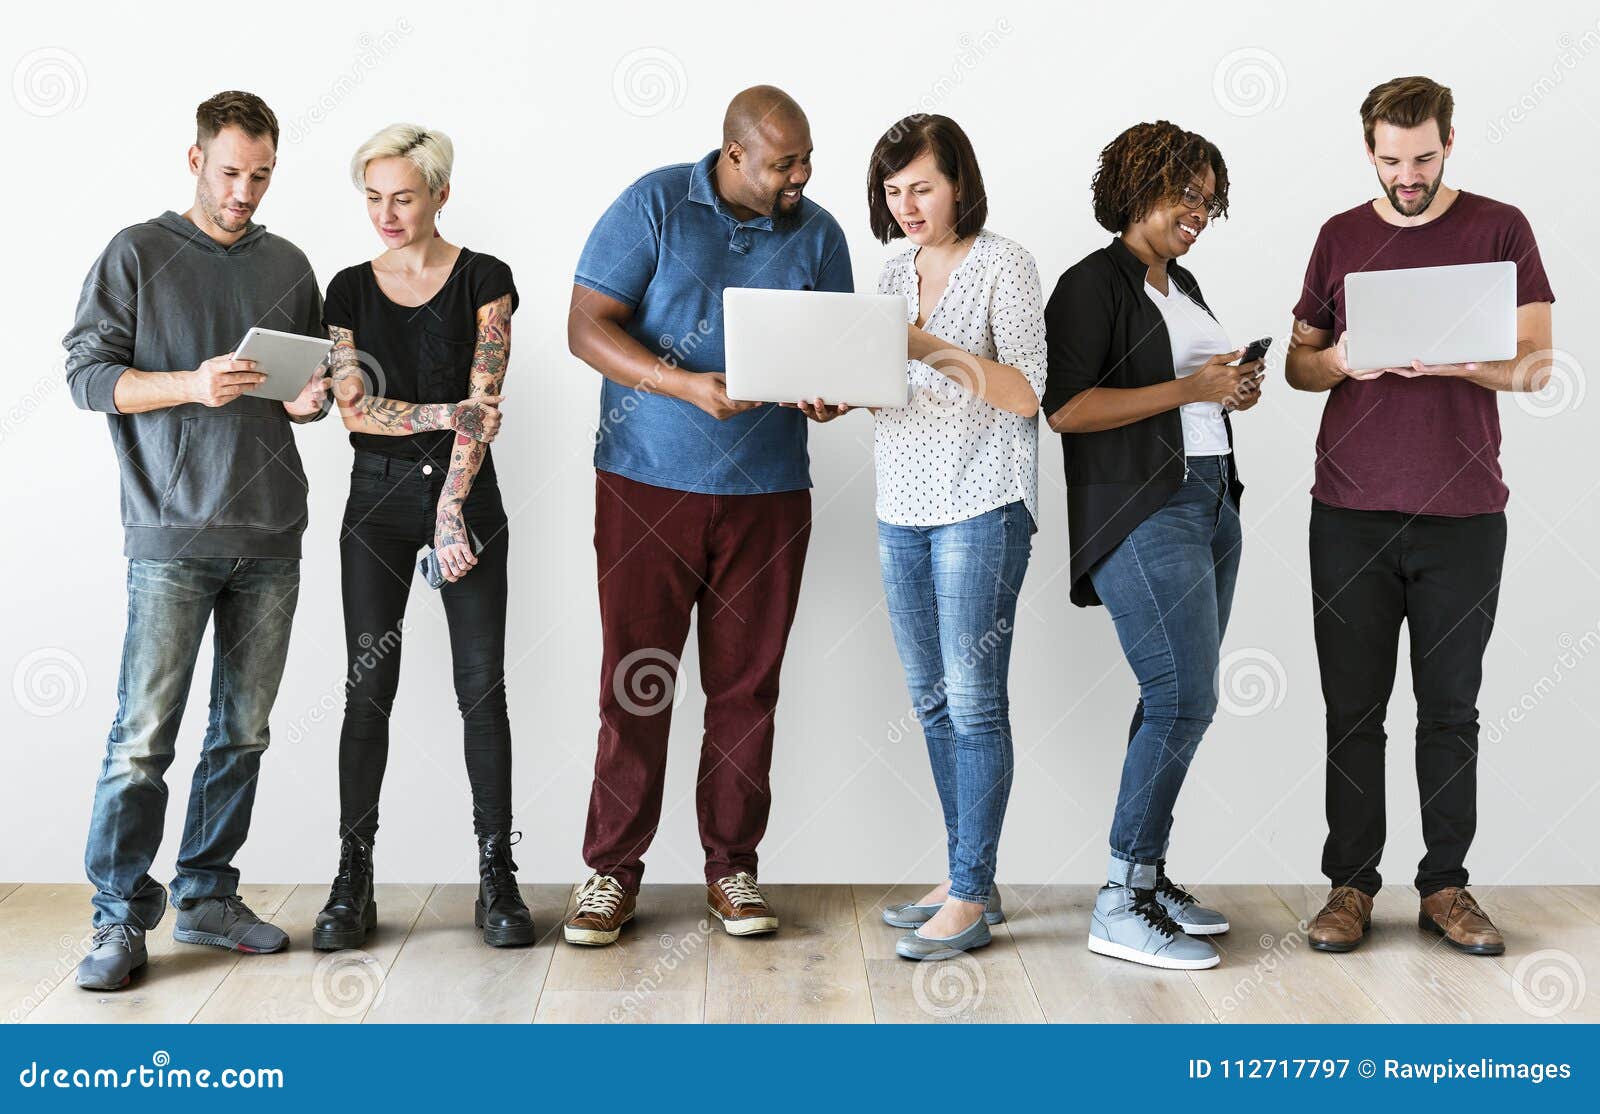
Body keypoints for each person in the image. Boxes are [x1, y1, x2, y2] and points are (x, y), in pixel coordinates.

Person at [563, 85, 853, 946]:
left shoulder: (821, 233)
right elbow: (585, 328)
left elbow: (834, 351)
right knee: (636, 681)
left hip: (769, 496)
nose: (801, 176)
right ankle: (610, 873)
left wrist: (829, 396)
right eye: (783, 164)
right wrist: (685, 383)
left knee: (746, 691)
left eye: (806, 159)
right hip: (645, 487)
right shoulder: (654, 202)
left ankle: (732, 870)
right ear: (734, 156)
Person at [64, 91, 329, 990]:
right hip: (171, 533)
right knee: (143, 736)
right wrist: (191, 383)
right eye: (230, 172)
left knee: (243, 732)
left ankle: (208, 896)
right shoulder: (135, 253)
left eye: (261, 176)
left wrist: (310, 399)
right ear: (194, 160)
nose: (245, 191)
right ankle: (117, 918)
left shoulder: (291, 264)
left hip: (272, 532)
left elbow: (305, 389)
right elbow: (87, 377)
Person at [1286, 77, 1555, 956]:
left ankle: (1445, 886)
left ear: (1450, 143)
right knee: (1352, 710)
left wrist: (1450, 360)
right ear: (1369, 149)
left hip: (1465, 515)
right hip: (1349, 513)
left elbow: (1535, 367)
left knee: (1451, 709)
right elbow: (1301, 365)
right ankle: (1350, 888)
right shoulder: (1340, 236)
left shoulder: (1500, 227)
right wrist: (1347, 360)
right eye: (1393, 160)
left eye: (1426, 158)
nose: (1410, 175)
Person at [1042, 121, 1265, 970]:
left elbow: (1191, 396)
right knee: (1184, 694)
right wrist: (1187, 387)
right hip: (1141, 509)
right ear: (1138, 188)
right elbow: (1065, 408)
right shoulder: (1089, 284)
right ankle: (1119, 900)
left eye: (1208, 201)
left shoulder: (1183, 282)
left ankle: (1148, 871)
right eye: (1184, 195)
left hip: (1211, 500)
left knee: (1177, 693)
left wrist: (1228, 391)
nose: (1198, 213)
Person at [313, 123, 529, 950]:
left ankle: (496, 877)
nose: (387, 213)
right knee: (367, 692)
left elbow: (489, 400)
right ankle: (351, 878)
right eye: (373, 197)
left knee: (483, 692)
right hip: (375, 499)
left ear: (440, 192)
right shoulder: (346, 290)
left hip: (467, 497)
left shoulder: (488, 279)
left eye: (403, 196)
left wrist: (452, 509)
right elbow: (357, 410)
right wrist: (446, 415)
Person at [862, 115, 1045, 961]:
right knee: (932, 701)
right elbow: (890, 387)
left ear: (959, 183)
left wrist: (925, 344)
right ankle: (965, 873)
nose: (907, 205)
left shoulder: (1004, 263)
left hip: (982, 499)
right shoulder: (890, 269)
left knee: (974, 705)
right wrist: (842, 389)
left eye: (922, 187)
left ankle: (972, 893)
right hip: (900, 501)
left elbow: (1023, 395)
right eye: (894, 191)